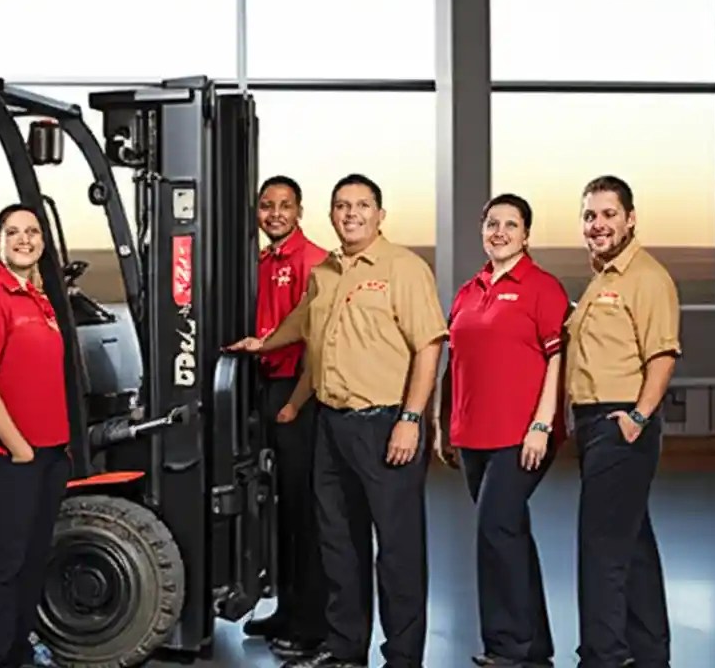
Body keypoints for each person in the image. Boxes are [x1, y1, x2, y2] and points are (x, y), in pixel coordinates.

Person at [227, 173, 448, 668]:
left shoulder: (403, 268)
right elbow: (304, 323)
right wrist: (265, 343)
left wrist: (411, 418)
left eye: (362, 205)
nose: (352, 214)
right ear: (330, 214)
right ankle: (345, 648)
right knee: (338, 543)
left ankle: (404, 657)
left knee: (396, 550)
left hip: (385, 423)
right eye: (343, 206)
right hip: (331, 424)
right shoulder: (326, 272)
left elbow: (430, 345)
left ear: (380, 215)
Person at [433, 193, 568, 668]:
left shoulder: (542, 287)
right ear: (482, 229)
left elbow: (558, 358)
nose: (501, 232)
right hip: (472, 435)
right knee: (508, 533)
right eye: (493, 223)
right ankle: (534, 647)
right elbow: (456, 363)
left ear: (526, 234)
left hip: (522, 435)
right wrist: (442, 423)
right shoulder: (468, 291)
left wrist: (542, 424)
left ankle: (508, 648)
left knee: (496, 528)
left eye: (511, 224)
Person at [565, 176, 679, 668]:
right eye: (590, 216)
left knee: (601, 549)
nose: (598, 225)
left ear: (630, 218)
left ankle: (603, 656)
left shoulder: (645, 277)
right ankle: (649, 653)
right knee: (631, 544)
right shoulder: (603, 278)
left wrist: (636, 417)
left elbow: (662, 355)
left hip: (619, 423)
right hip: (595, 422)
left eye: (608, 214)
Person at [0, 204, 70, 668]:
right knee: (2, 565)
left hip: (47, 455)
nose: (24, 239)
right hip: (8, 456)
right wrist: (18, 445)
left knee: (30, 561)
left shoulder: (38, 298)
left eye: (32, 231)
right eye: (13, 232)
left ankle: (18, 650)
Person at [240, 175, 329, 659]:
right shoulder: (262, 260)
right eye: (267, 206)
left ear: (299, 210)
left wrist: (294, 401)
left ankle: (311, 621)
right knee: (278, 508)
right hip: (266, 388)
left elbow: (314, 340)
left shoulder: (310, 261)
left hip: (297, 389)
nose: (275, 214)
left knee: (304, 508)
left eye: (285, 205)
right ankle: (287, 608)